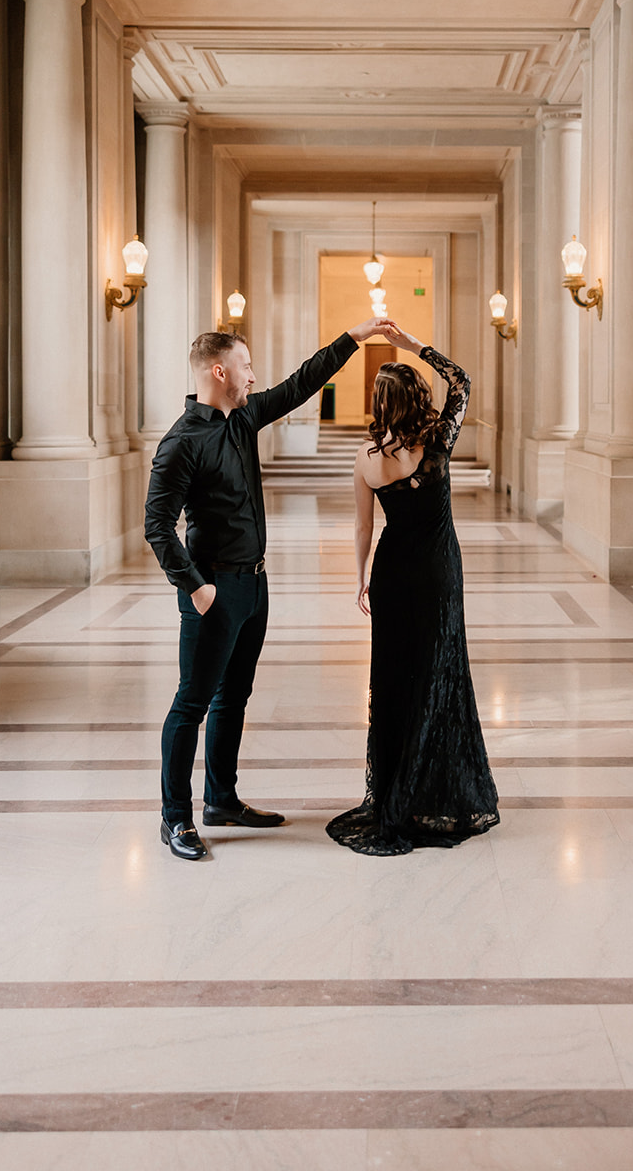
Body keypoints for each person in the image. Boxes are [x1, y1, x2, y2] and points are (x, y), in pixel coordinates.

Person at [146, 318, 394, 860]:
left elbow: (302, 382)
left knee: (234, 697)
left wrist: (354, 338)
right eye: (246, 365)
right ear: (219, 370)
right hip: (213, 591)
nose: (254, 376)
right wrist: (196, 588)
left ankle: (221, 799)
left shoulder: (244, 418)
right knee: (191, 703)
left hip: (255, 586)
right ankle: (174, 818)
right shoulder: (181, 442)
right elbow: (157, 526)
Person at [327, 325, 500, 857]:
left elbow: (362, 528)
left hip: (393, 572)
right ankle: (437, 790)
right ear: (418, 397)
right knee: (441, 671)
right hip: (439, 572)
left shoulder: (365, 457)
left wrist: (359, 578)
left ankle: (397, 793)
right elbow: (462, 381)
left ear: (378, 403)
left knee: (395, 680)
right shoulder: (436, 442)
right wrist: (410, 343)